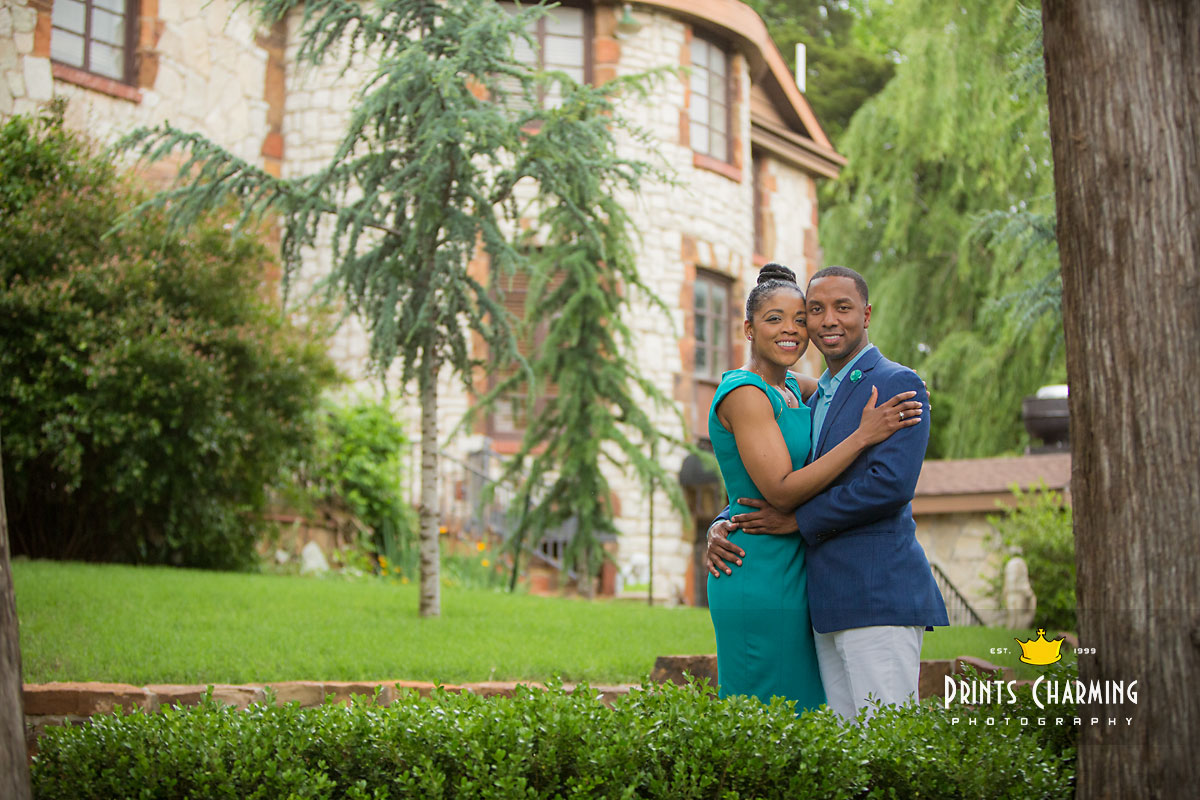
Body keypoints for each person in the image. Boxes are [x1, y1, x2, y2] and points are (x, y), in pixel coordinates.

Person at [707, 265, 949, 720]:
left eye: (841, 308)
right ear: (749, 328)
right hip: (818, 598)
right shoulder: (813, 394)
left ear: (867, 313)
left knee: (886, 743)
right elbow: (765, 471)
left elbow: (890, 486)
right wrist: (725, 520)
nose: (822, 322)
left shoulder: (891, 383)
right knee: (837, 749)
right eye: (815, 310)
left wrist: (797, 521)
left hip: (876, 592)